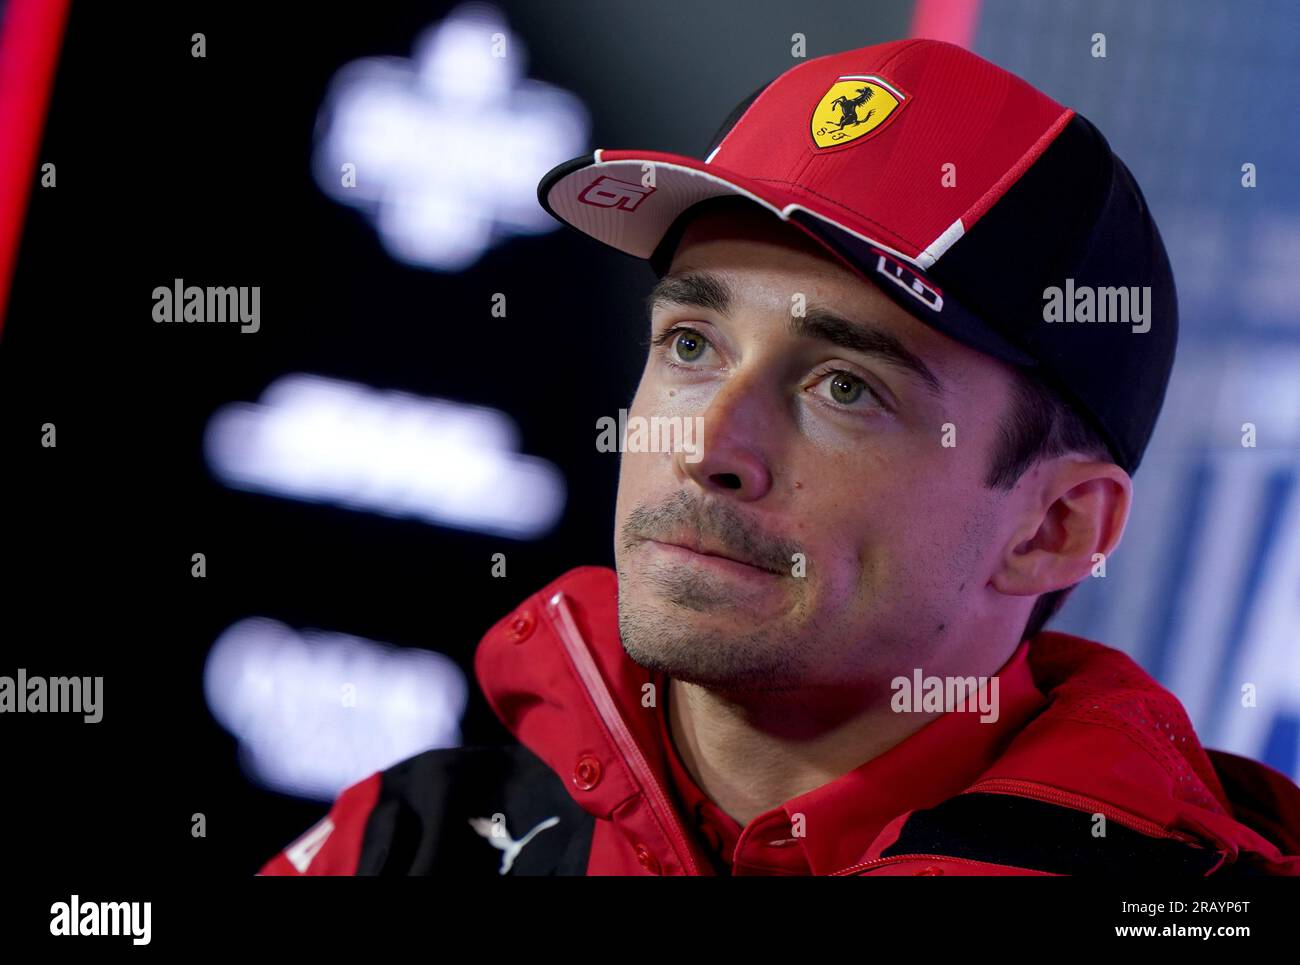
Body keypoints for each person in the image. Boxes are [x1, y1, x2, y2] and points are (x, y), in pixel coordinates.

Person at [258, 38, 1300, 876]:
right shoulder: (418, 838)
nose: (707, 443)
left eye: (844, 387)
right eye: (691, 345)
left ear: (1054, 526)